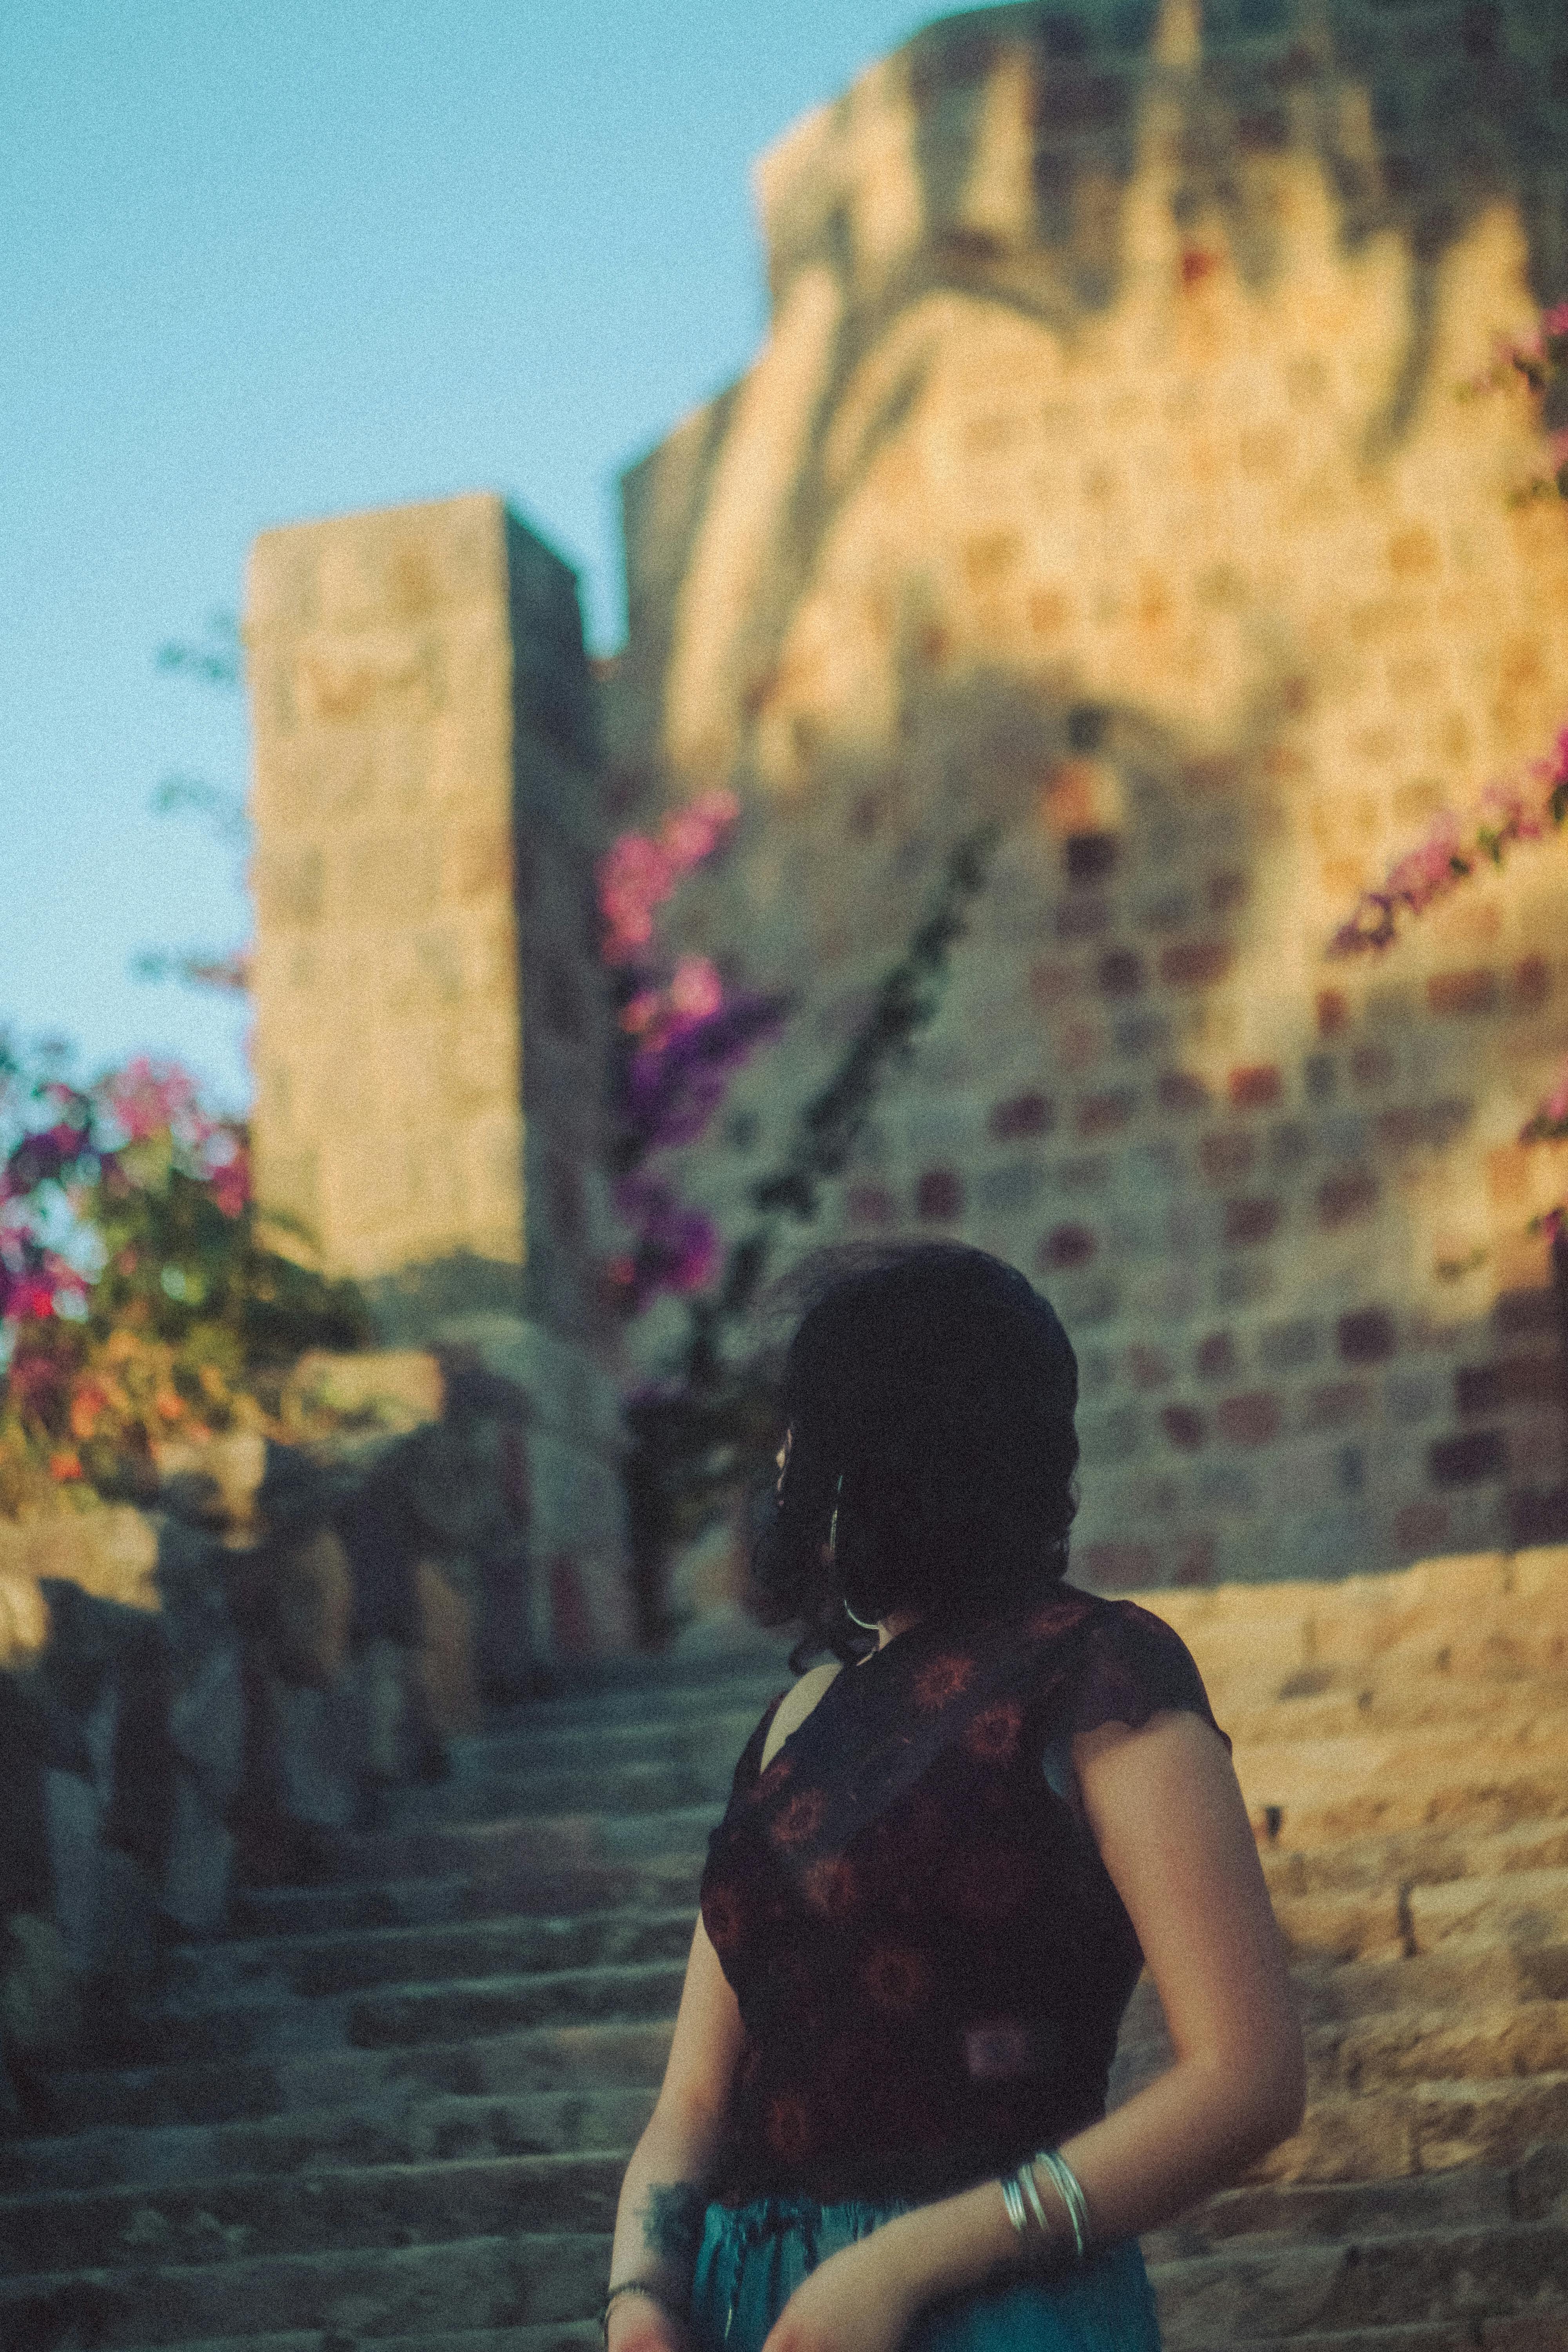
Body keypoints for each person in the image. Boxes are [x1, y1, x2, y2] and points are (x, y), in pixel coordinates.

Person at [603, 1245, 1304, 2352]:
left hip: (999, 2307)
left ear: (890, 1450)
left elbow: (1248, 2078)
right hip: (756, 2314)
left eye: (809, 1426)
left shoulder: (1099, 1673)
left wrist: (899, 2267)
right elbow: (694, 2104)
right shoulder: (799, 1721)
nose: (786, 1460)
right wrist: (641, 2301)